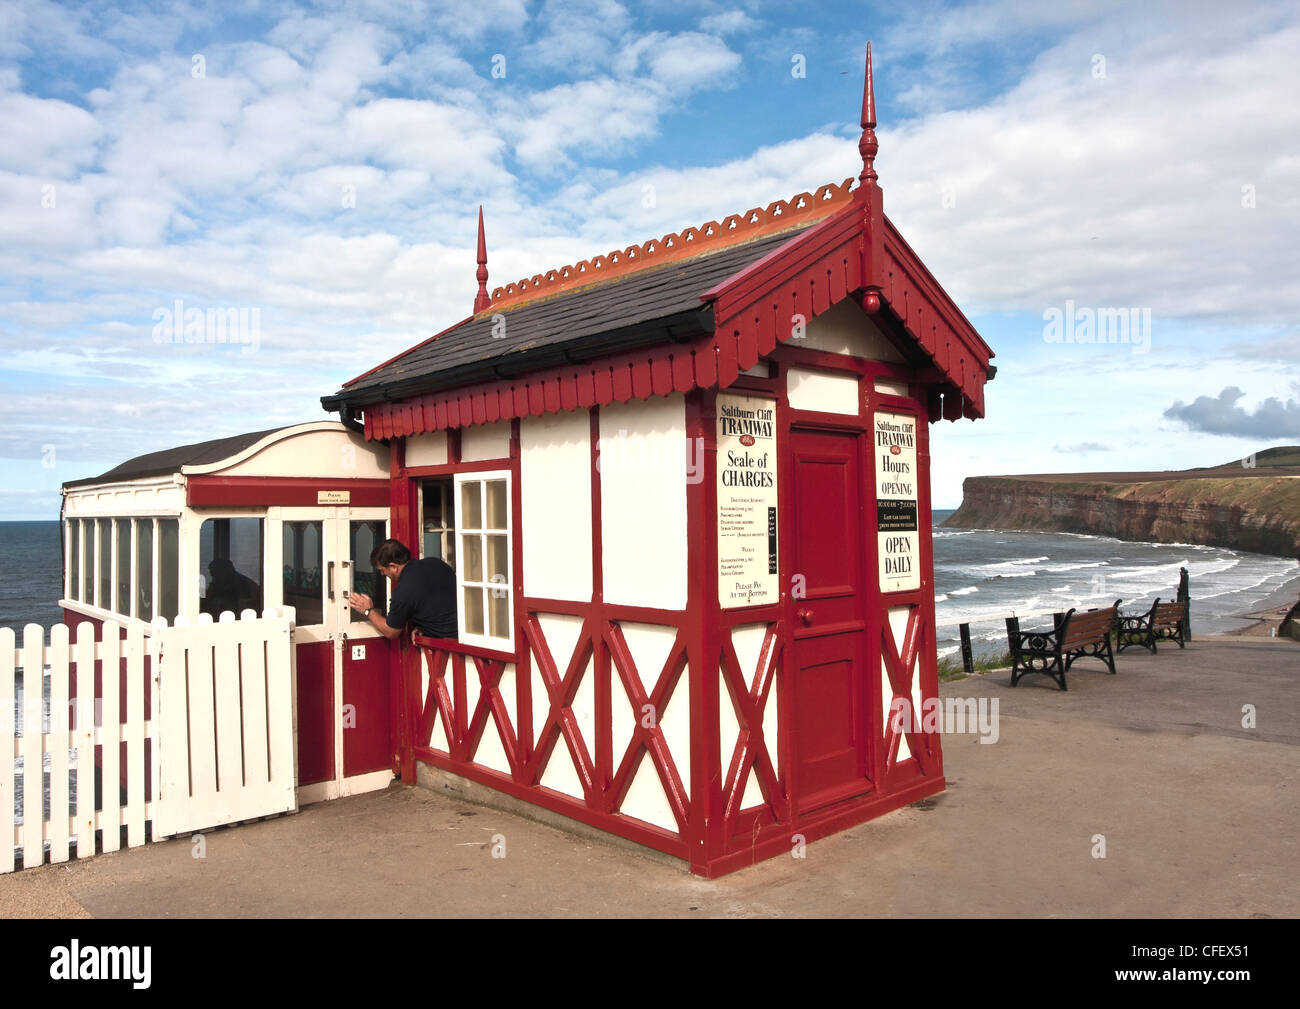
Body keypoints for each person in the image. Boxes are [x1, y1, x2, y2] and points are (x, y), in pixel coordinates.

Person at [347, 538, 456, 640]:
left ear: (393, 567)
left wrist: (368, 611)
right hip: (466, 634)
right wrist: (426, 627)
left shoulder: (403, 590)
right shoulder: (436, 563)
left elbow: (391, 631)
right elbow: (438, 605)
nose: (382, 574)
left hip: (447, 645)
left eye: (382, 570)